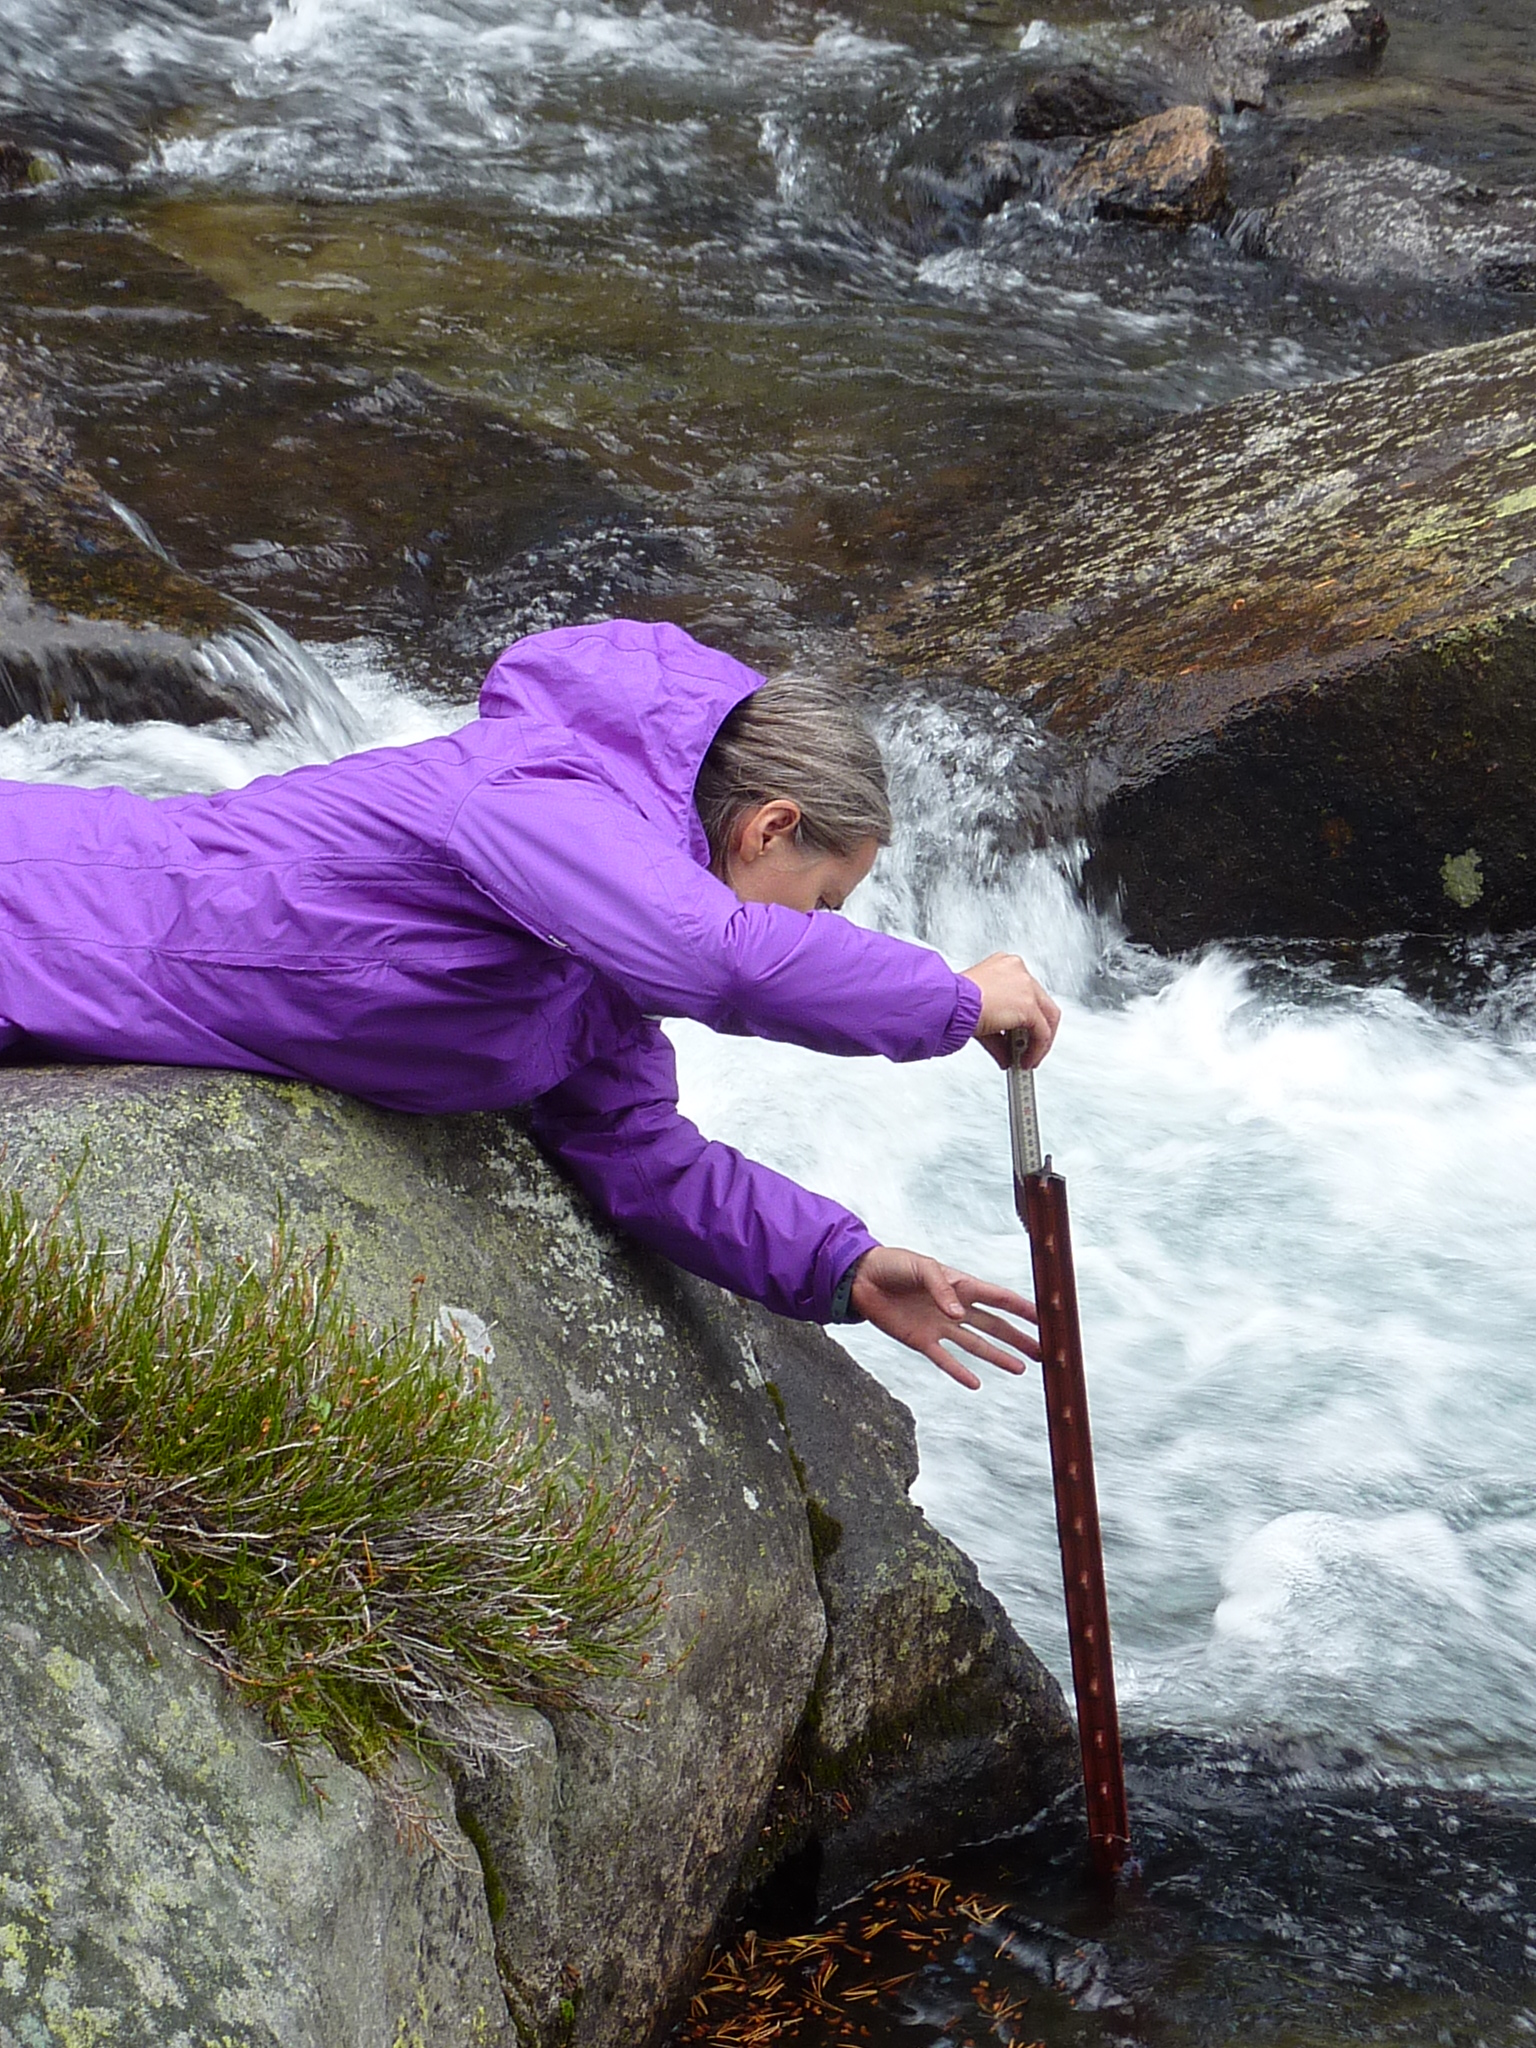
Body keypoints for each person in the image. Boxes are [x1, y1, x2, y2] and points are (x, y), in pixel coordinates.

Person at [0, 619, 1059, 1388]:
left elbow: (640, 1155)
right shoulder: (545, 795)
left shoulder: (597, 966)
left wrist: (843, 1264)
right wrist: (951, 997)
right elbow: (725, 962)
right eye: (827, 903)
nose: (821, 929)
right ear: (770, 827)